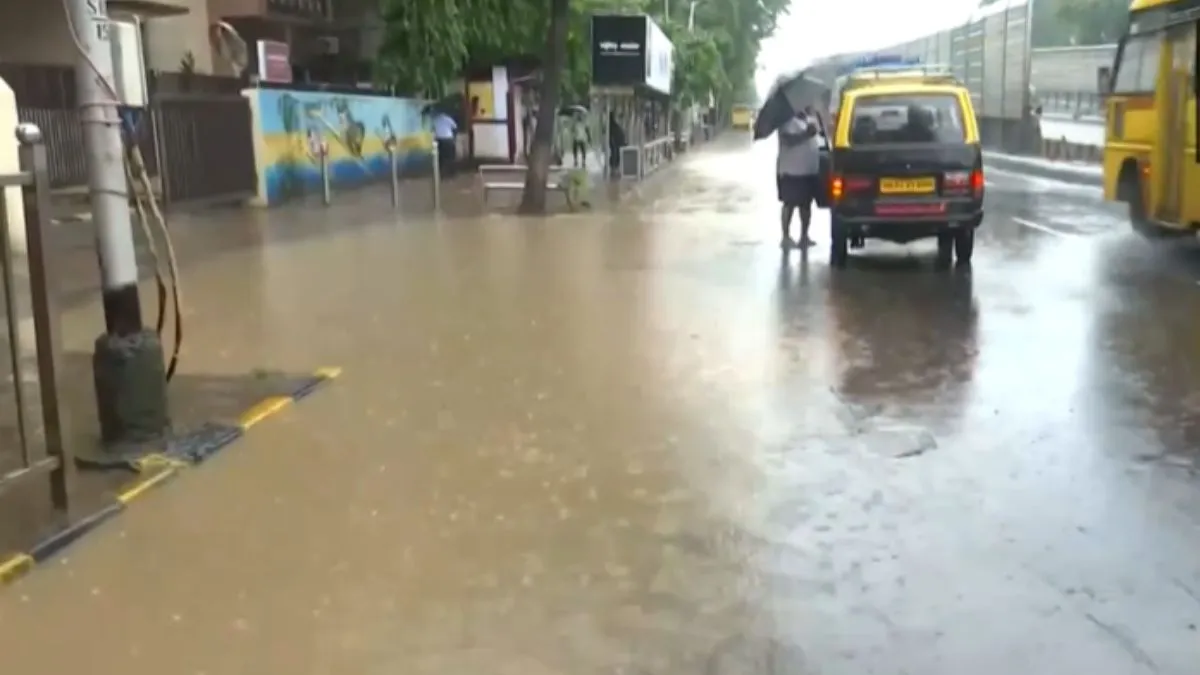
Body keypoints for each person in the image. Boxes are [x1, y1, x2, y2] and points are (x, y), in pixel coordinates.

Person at [776, 107, 822, 249]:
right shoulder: (785, 121)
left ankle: (804, 236)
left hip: (808, 170)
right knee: (789, 204)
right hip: (791, 170)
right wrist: (806, 134)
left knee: (806, 204)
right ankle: (785, 237)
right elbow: (787, 140)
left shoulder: (809, 118)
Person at [432, 110, 457, 176]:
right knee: (451, 157)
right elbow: (455, 127)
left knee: (440, 157)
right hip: (448, 139)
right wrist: (454, 138)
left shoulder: (436, 120)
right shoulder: (448, 119)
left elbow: (433, 130)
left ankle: (439, 173)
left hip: (439, 140)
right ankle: (452, 173)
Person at [608, 112, 626, 177]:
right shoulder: (615, 126)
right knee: (616, 155)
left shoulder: (611, 126)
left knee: (615, 154)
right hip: (618, 142)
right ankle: (615, 169)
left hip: (616, 142)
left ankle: (614, 169)